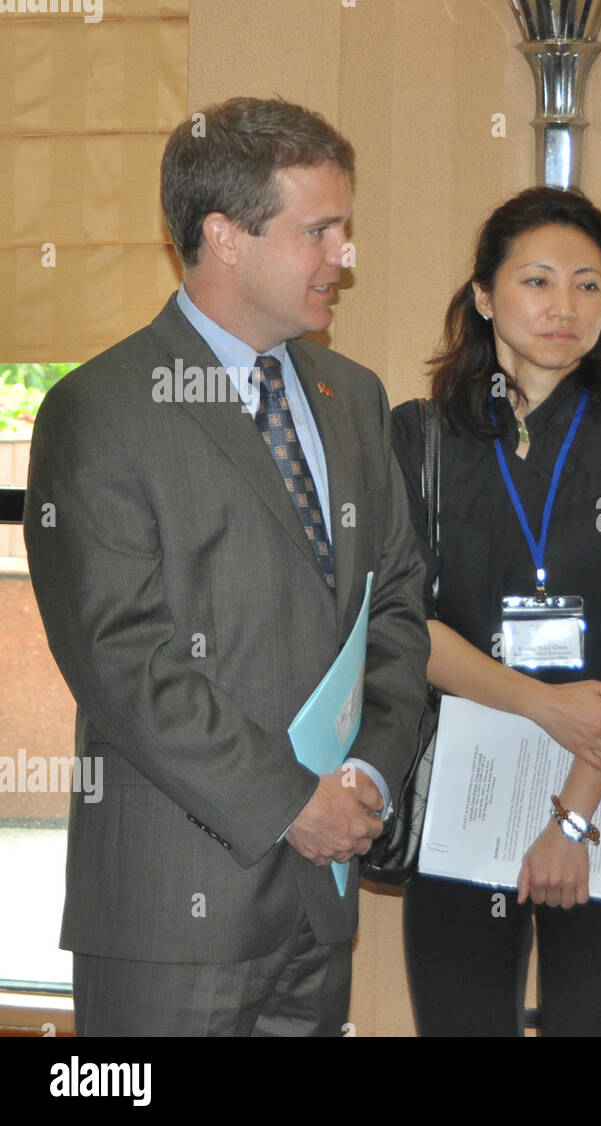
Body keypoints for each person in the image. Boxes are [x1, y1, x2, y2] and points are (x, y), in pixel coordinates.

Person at [23, 97, 430, 1036]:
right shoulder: (103, 410)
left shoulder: (353, 400)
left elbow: (398, 602)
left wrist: (371, 767)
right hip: (173, 909)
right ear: (225, 237)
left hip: (320, 907)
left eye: (346, 228)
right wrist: (292, 802)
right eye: (319, 230)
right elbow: (120, 658)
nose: (345, 256)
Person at [393, 187, 601, 1037]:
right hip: (462, 785)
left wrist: (571, 821)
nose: (566, 307)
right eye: (539, 281)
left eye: (589, 284)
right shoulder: (419, 438)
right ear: (484, 296)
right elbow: (402, 624)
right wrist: (541, 703)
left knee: (599, 1022)